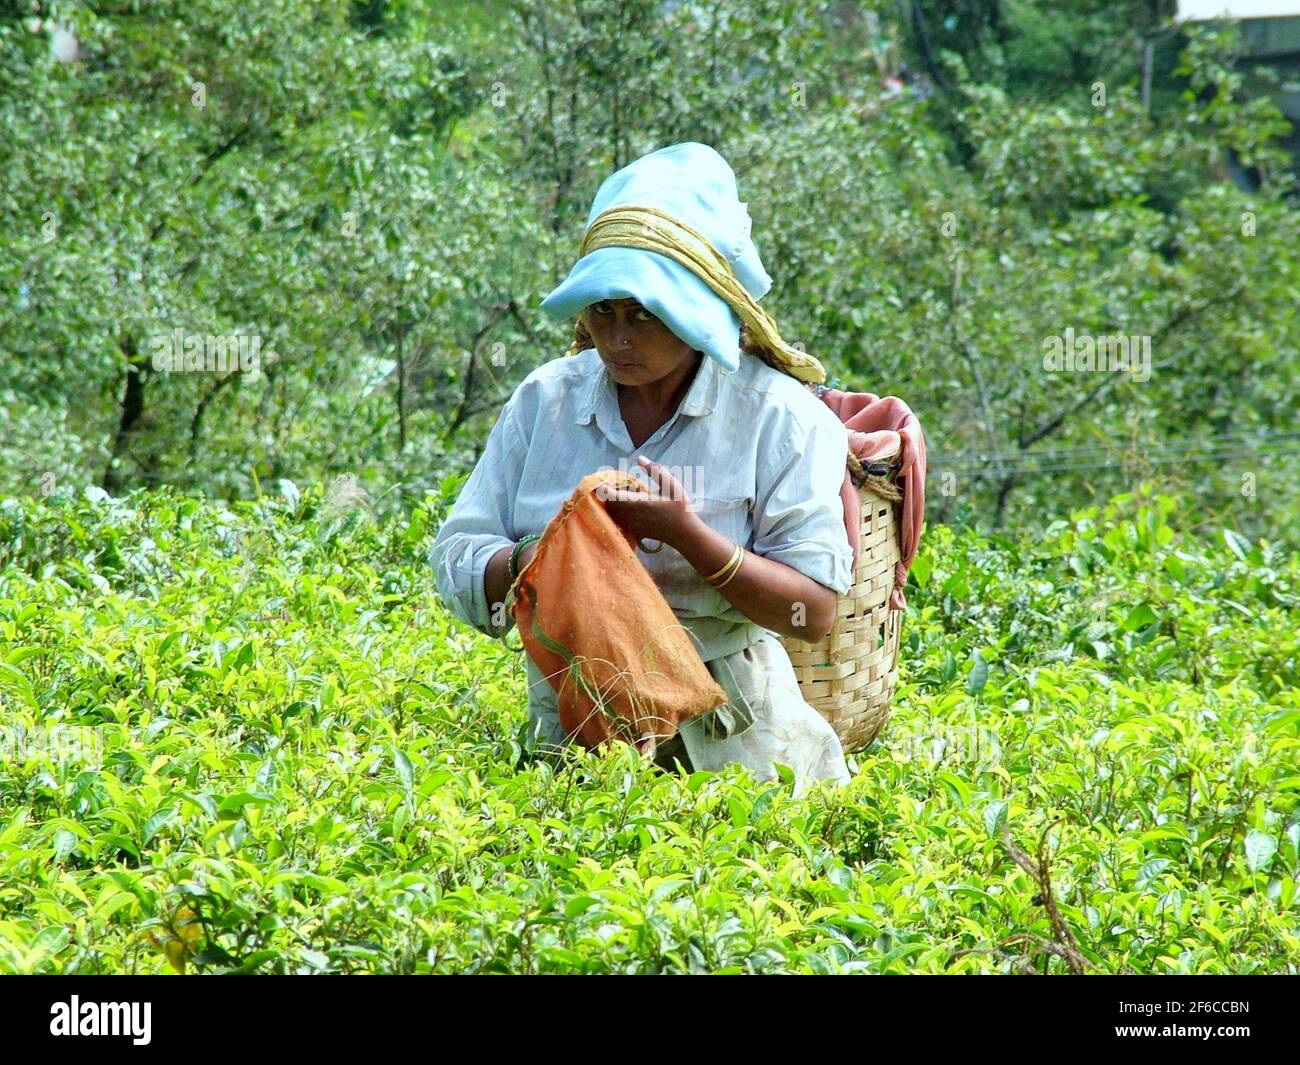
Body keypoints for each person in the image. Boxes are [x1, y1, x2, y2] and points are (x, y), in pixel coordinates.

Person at [429, 142, 856, 795]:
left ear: (700, 314)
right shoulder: (545, 405)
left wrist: (688, 534)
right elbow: (456, 554)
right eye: (604, 311)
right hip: (575, 752)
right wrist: (536, 558)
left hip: (740, 757)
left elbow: (815, 609)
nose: (618, 338)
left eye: (645, 316)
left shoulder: (779, 418)